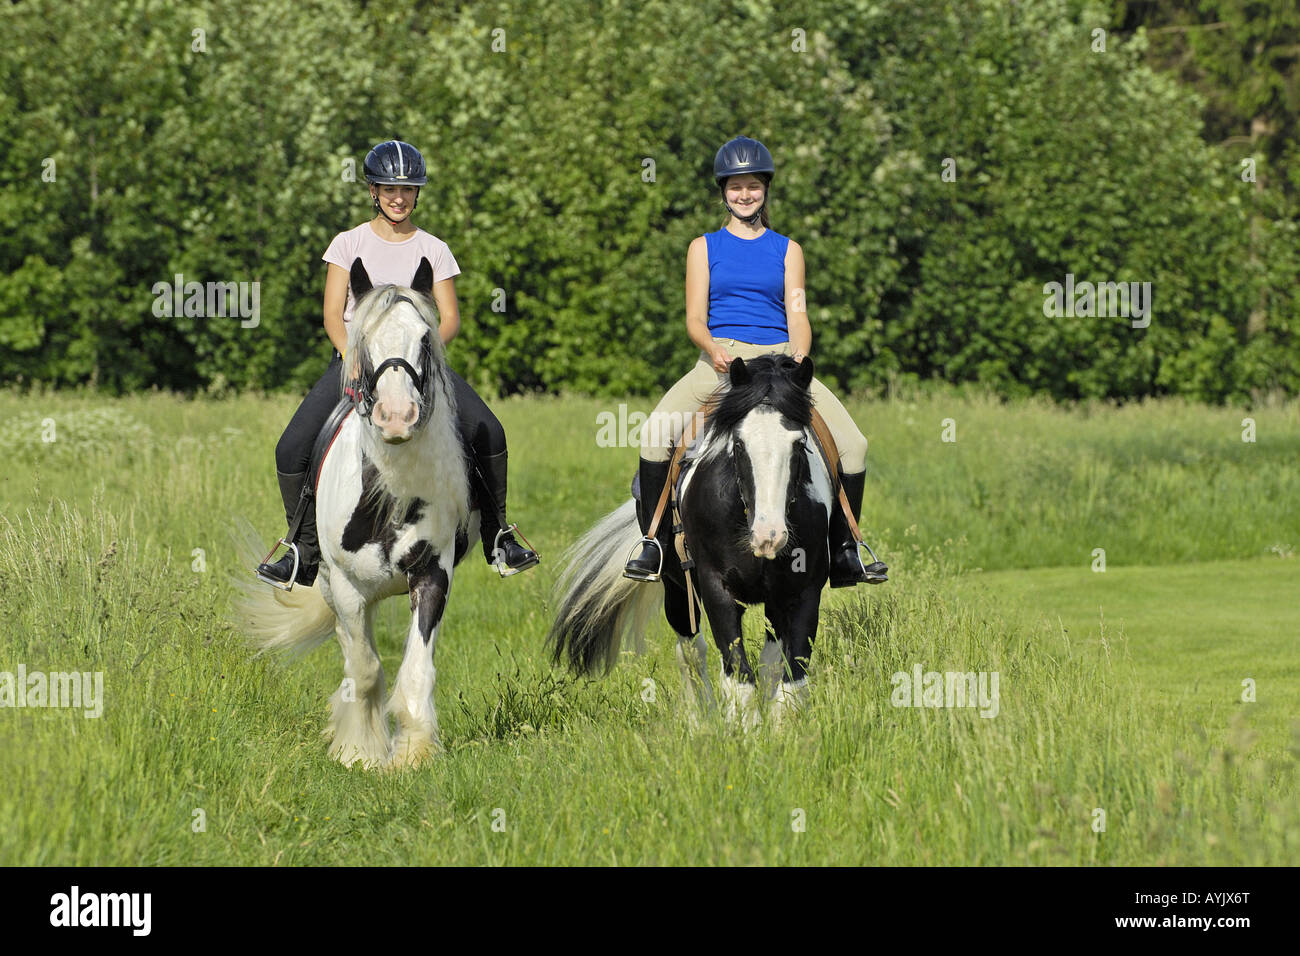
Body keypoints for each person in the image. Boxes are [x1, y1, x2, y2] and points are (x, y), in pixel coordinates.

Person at [257, 140, 538, 587]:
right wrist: (351, 356)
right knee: (291, 447)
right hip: (357, 361)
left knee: (489, 430)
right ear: (372, 190)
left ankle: (498, 535)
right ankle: (303, 551)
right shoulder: (347, 244)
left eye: (408, 188)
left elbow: (449, 319)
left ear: (418, 193)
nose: (398, 196)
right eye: (389, 187)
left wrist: (421, 356)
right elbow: (333, 314)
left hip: (420, 366)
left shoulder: (434, 248)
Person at [624, 135, 887, 588]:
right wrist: (713, 348)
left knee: (855, 444)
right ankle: (656, 545)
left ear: (765, 189)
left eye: (753, 186)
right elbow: (693, 318)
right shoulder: (703, 247)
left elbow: (798, 313)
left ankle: (845, 550)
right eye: (735, 187)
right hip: (721, 362)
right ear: (723, 192)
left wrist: (800, 354)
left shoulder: (788, 250)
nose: (744, 194)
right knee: (653, 435)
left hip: (780, 362)